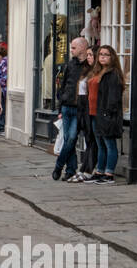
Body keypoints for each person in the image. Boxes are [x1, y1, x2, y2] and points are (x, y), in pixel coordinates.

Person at [52, 37, 90, 182]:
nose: (71, 50)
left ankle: (58, 166)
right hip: (67, 107)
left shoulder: (89, 66)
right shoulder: (70, 65)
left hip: (79, 108)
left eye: (74, 48)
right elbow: (63, 87)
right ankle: (70, 170)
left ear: (82, 48)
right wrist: (60, 108)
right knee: (69, 139)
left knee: (71, 139)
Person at [90, 45, 126, 185]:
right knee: (100, 145)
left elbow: (113, 97)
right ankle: (100, 171)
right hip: (96, 114)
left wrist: (107, 113)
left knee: (109, 144)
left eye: (106, 54)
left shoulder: (113, 74)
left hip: (106, 115)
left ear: (112, 57)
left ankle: (109, 173)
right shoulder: (98, 72)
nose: (102, 57)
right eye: (100, 54)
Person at [69, 47, 100, 184]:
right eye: (87, 55)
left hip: (90, 107)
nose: (88, 57)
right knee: (88, 139)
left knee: (92, 140)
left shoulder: (96, 73)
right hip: (81, 106)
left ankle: (88, 170)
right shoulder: (86, 71)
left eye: (91, 55)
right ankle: (84, 169)